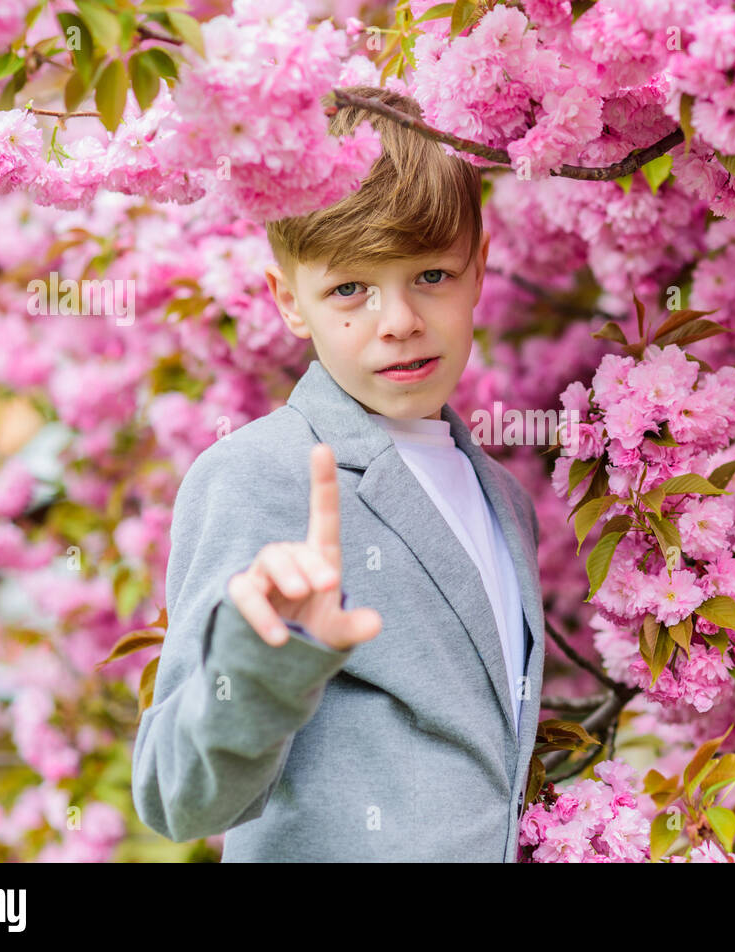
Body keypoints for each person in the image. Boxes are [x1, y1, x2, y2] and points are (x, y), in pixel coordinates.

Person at [131, 85, 546, 862]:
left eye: (431, 275)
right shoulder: (257, 475)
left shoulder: (505, 499)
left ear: (480, 268)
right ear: (289, 301)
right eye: (349, 288)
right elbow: (175, 794)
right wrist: (270, 656)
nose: (397, 320)